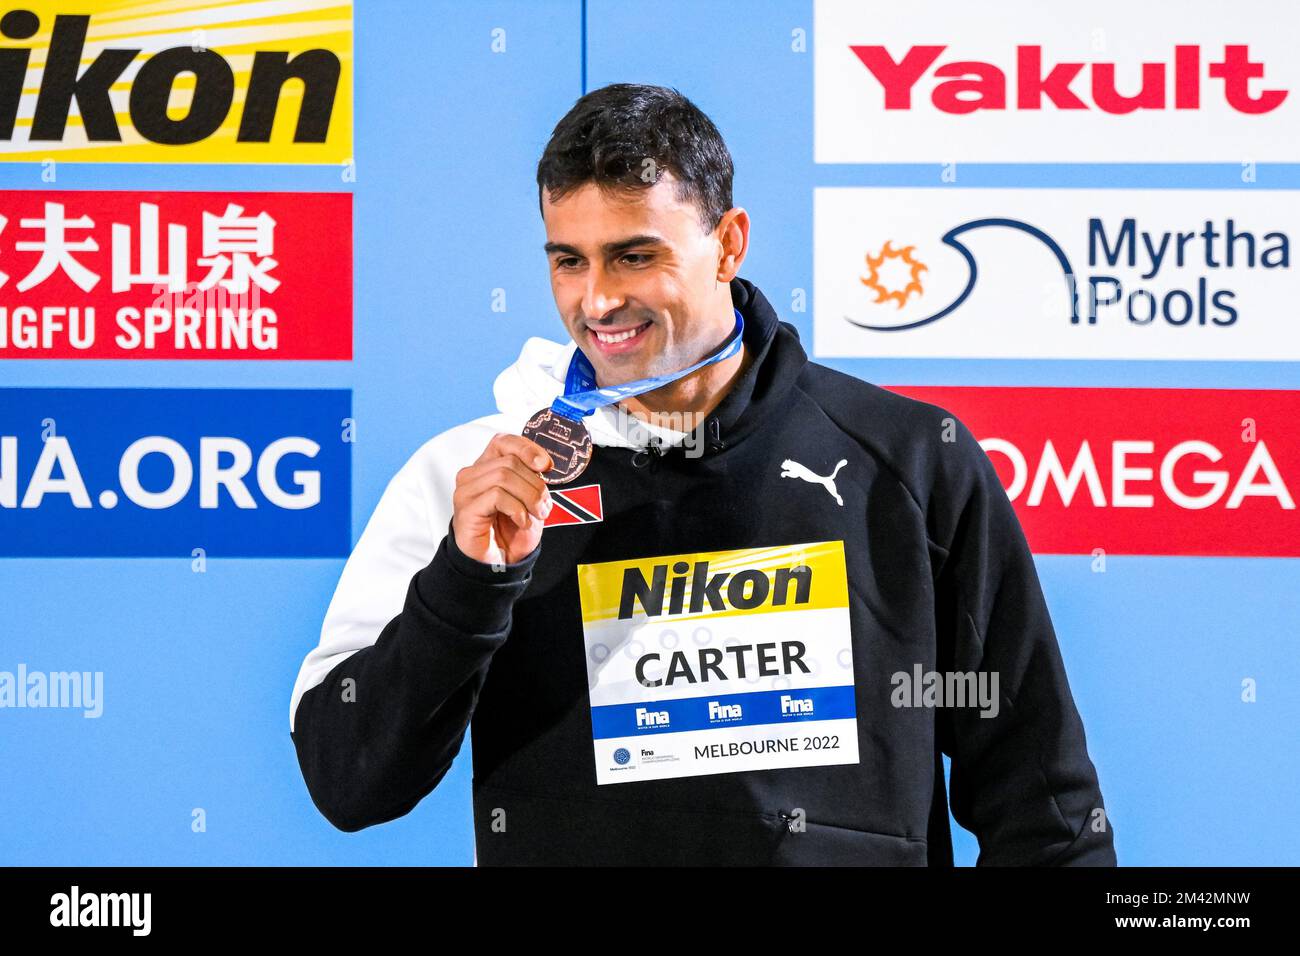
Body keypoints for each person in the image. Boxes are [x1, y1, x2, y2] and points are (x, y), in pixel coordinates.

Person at [288, 82, 1116, 866]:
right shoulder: (475, 479)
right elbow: (348, 781)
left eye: (634, 256)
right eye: (569, 261)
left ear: (728, 243)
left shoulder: (907, 460)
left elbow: (1044, 806)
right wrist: (468, 582)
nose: (598, 301)